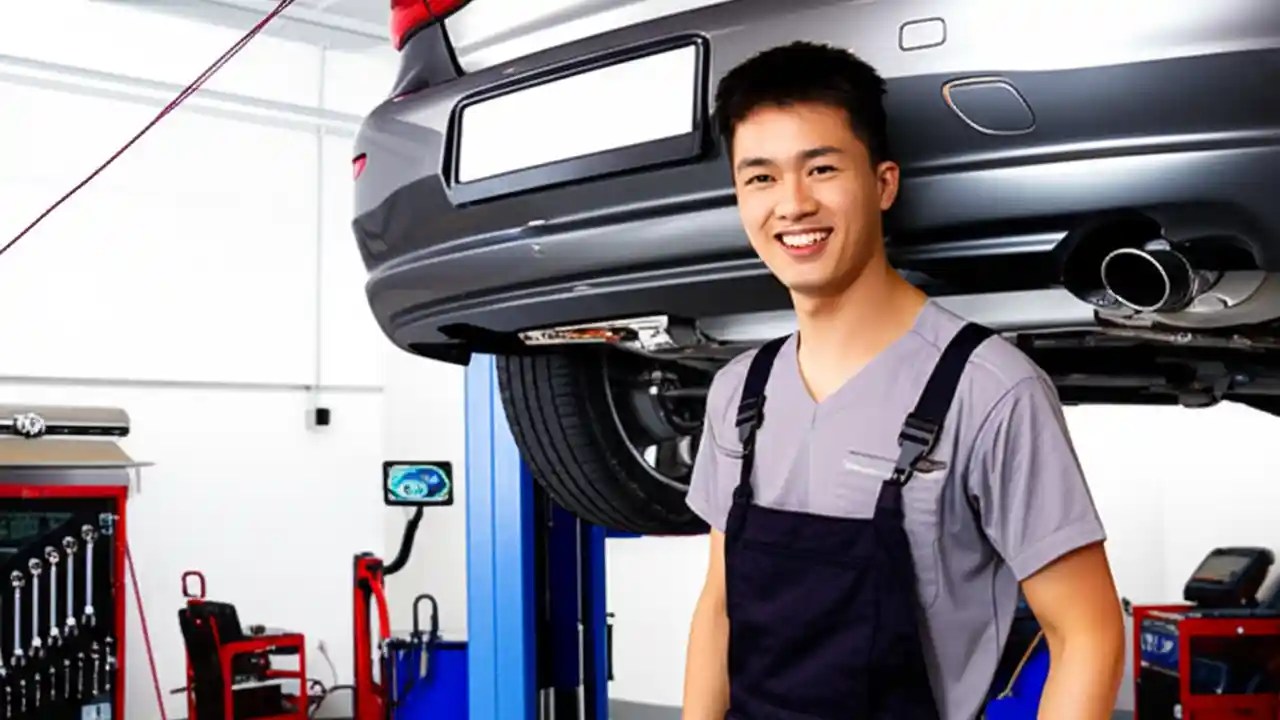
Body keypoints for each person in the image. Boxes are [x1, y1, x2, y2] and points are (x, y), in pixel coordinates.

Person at [680, 41, 1126, 720]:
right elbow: (719, 608)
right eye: (761, 179)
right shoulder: (740, 391)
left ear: (883, 183)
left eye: (821, 168)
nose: (792, 205)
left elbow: (1087, 632)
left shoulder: (988, 390)